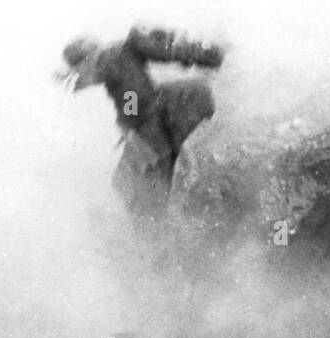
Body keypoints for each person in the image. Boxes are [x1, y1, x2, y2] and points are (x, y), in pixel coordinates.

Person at [58, 28, 224, 219]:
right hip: (170, 111)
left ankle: (162, 227)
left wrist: (131, 121)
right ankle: (186, 201)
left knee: (127, 185)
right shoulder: (121, 51)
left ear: (85, 58)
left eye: (78, 65)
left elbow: (131, 96)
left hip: (151, 129)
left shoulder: (109, 58)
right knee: (131, 183)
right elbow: (164, 56)